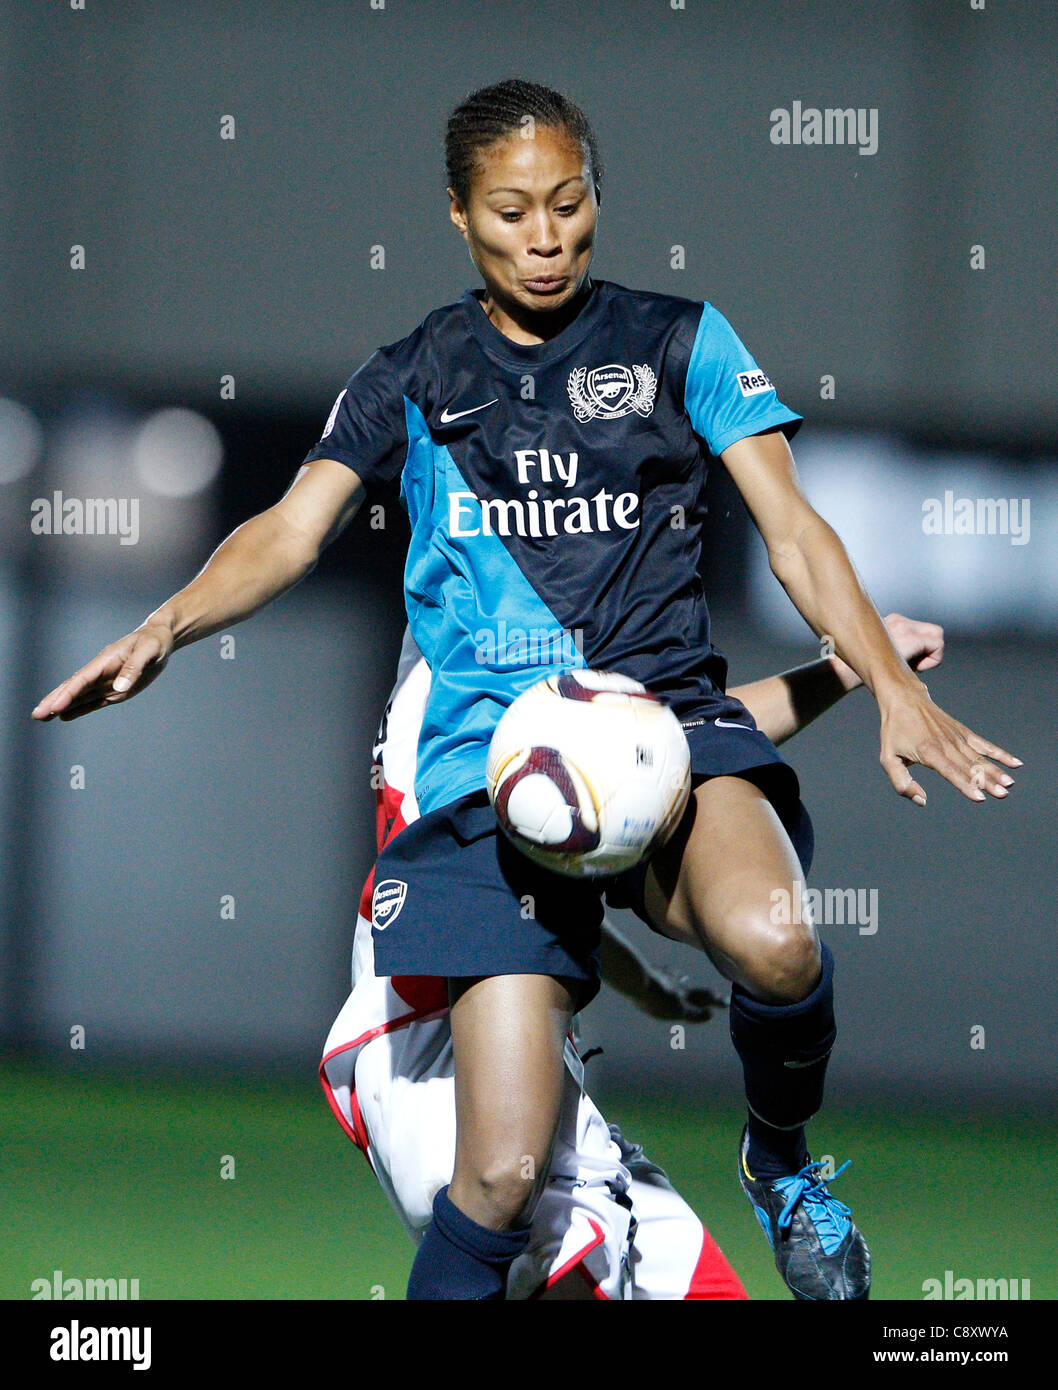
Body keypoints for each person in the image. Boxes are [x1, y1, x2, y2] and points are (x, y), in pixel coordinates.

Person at [32, 78, 1020, 1303]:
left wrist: (881, 685)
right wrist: (166, 625)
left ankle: (780, 1167)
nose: (544, 236)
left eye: (568, 203)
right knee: (498, 1174)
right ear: (458, 216)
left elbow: (797, 532)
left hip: (665, 727)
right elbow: (288, 530)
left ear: (597, 196)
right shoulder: (411, 374)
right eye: (510, 211)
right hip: (482, 785)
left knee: (772, 943)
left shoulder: (677, 341)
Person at [326, 614, 948, 1299]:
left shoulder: (477, 677)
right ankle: (775, 1167)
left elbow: (559, 854)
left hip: (516, 1063)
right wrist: (852, 667)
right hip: (435, 1065)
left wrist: (641, 979)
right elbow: (646, 753)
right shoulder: (465, 681)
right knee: (503, 1193)